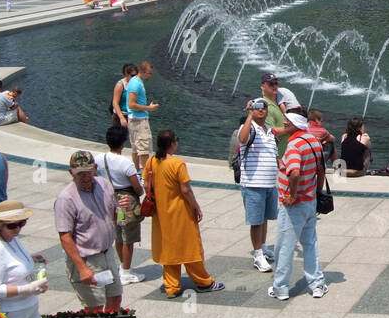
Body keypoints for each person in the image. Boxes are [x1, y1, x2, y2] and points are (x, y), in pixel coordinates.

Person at [146, 130, 223, 297]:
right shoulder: (177, 164)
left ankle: (171, 286)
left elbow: (147, 184)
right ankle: (204, 281)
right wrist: (196, 207)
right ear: (173, 143)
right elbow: (186, 190)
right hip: (180, 212)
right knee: (190, 248)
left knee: (169, 250)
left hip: (161, 214)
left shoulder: (151, 161)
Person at [56, 151, 125, 312]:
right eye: (80, 174)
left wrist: (122, 209)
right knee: (94, 307)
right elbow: (65, 236)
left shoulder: (104, 185)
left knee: (115, 298)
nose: (85, 177)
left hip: (107, 255)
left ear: (95, 168)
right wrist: (81, 268)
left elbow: (116, 215)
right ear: (71, 173)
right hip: (87, 260)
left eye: (88, 172)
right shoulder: (66, 198)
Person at [269, 113, 328, 300]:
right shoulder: (314, 141)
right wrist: (316, 193)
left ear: (296, 125)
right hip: (310, 202)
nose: (285, 123)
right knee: (310, 244)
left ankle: (281, 288)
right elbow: (321, 170)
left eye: (289, 121)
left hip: (294, 206)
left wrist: (292, 196)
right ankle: (317, 284)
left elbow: (294, 173)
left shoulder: (294, 145)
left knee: (284, 247)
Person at [237, 98, 281, 273]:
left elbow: (274, 154)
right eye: (256, 108)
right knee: (256, 221)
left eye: (263, 107)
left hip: (270, 183)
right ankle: (257, 255)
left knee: (264, 218)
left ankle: (262, 247)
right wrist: (248, 115)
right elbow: (242, 139)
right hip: (253, 183)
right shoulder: (248, 128)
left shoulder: (270, 131)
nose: (261, 110)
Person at [96, 125, 144, 282]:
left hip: (110, 198)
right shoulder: (126, 163)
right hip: (126, 201)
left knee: (118, 234)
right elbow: (137, 188)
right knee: (127, 236)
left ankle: (123, 265)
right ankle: (126, 271)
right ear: (123, 142)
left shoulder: (99, 159)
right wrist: (141, 192)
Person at [126, 61, 159, 171]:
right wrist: (149, 108)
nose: (150, 76)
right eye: (149, 73)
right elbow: (131, 104)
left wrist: (147, 106)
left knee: (136, 149)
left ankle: (136, 174)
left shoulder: (135, 81)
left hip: (135, 119)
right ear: (143, 72)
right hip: (139, 121)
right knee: (143, 150)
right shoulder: (136, 83)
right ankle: (145, 177)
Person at [111, 63, 136, 128]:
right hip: (121, 116)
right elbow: (115, 103)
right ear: (126, 74)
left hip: (132, 115)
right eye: (132, 75)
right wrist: (122, 118)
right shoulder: (120, 85)